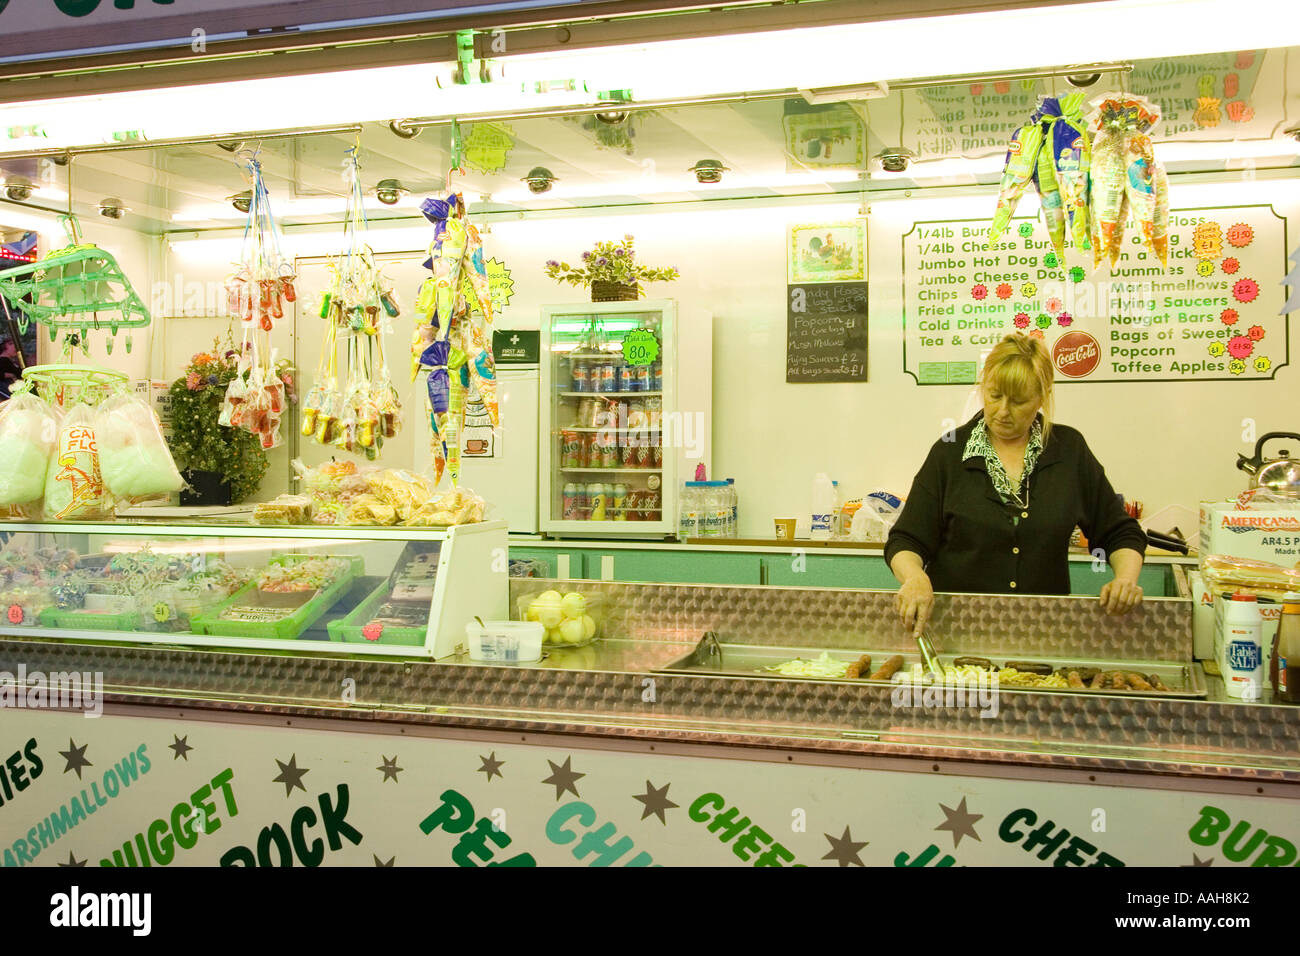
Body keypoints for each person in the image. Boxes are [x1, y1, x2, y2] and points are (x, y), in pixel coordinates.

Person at [885, 333, 1146, 638]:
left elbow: (1118, 532)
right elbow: (905, 540)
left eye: (1018, 400)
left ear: (1042, 396)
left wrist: (1126, 579)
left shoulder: (1068, 451)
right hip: (956, 632)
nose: (1002, 411)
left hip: (1045, 634)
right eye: (994, 395)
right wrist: (914, 576)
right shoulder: (949, 453)